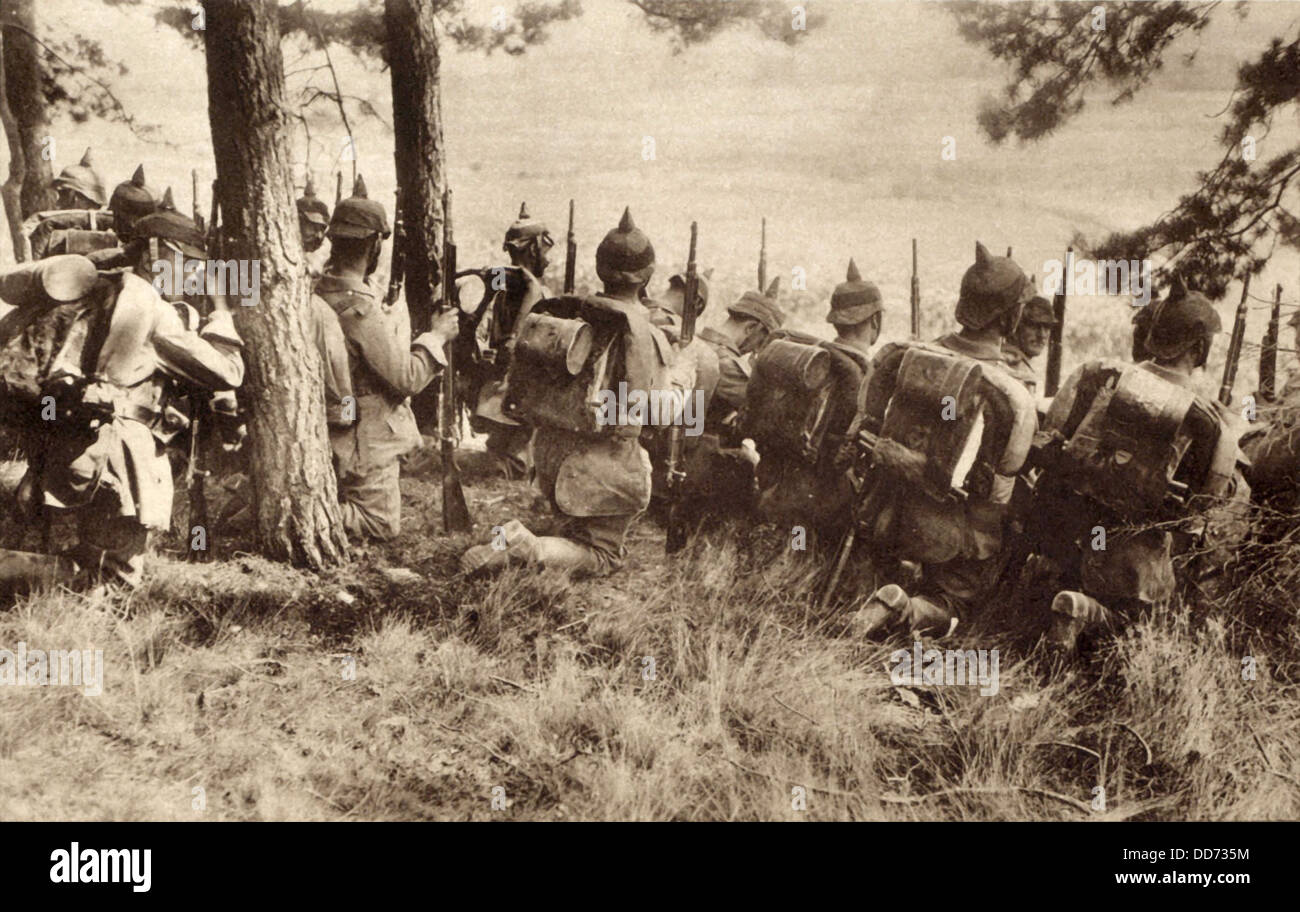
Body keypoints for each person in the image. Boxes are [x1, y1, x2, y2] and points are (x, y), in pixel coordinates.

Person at [0, 209, 245, 593]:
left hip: (73, 446)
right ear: (155, 253)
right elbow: (227, 372)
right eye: (188, 262)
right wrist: (221, 313)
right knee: (113, 577)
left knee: (95, 565)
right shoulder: (152, 307)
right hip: (117, 458)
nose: (193, 274)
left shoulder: (103, 289)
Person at [460, 208, 698, 576]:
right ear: (647, 275)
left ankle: (504, 546)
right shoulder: (643, 334)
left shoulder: (571, 312)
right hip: (599, 468)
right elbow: (655, 413)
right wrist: (684, 373)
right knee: (604, 555)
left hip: (551, 456)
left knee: (575, 529)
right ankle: (526, 545)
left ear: (601, 269)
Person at [1031, 279, 1251, 650]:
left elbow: (1048, 435)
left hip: (1061, 530)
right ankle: (1085, 611)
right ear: (1199, 347)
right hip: (1131, 556)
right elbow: (1211, 500)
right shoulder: (1207, 419)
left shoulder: (1096, 371)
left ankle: (1056, 591)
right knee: (1145, 626)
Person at [852, 242, 1038, 637]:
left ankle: (886, 583)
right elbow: (1000, 489)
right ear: (1012, 316)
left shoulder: (900, 356)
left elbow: (866, 422)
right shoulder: (1011, 396)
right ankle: (910, 611)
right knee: (961, 599)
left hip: (885, 513)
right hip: (951, 537)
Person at [314, 175, 458, 541]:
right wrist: (436, 337)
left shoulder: (319, 292)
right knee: (380, 524)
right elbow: (407, 378)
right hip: (365, 437)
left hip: (330, 428)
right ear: (374, 246)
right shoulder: (360, 310)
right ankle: (304, 509)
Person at [753, 259, 882, 545]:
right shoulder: (865, 379)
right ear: (876, 321)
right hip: (822, 505)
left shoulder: (811, 359)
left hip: (774, 485)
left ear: (835, 321)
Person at [464, 202, 552, 477]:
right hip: (517, 386)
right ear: (535, 248)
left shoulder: (508, 281)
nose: (547, 258)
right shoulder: (528, 286)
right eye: (545, 250)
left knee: (505, 447)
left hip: (504, 382)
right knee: (516, 459)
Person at [21, 148, 116, 261]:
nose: (58, 202)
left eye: (63, 194)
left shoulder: (45, 224)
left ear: (74, 196)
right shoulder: (114, 227)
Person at [1001, 293, 1056, 395]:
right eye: (1034, 326)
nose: (1042, 335)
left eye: (1047, 327)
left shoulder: (1006, 357)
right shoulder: (1016, 367)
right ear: (1015, 327)